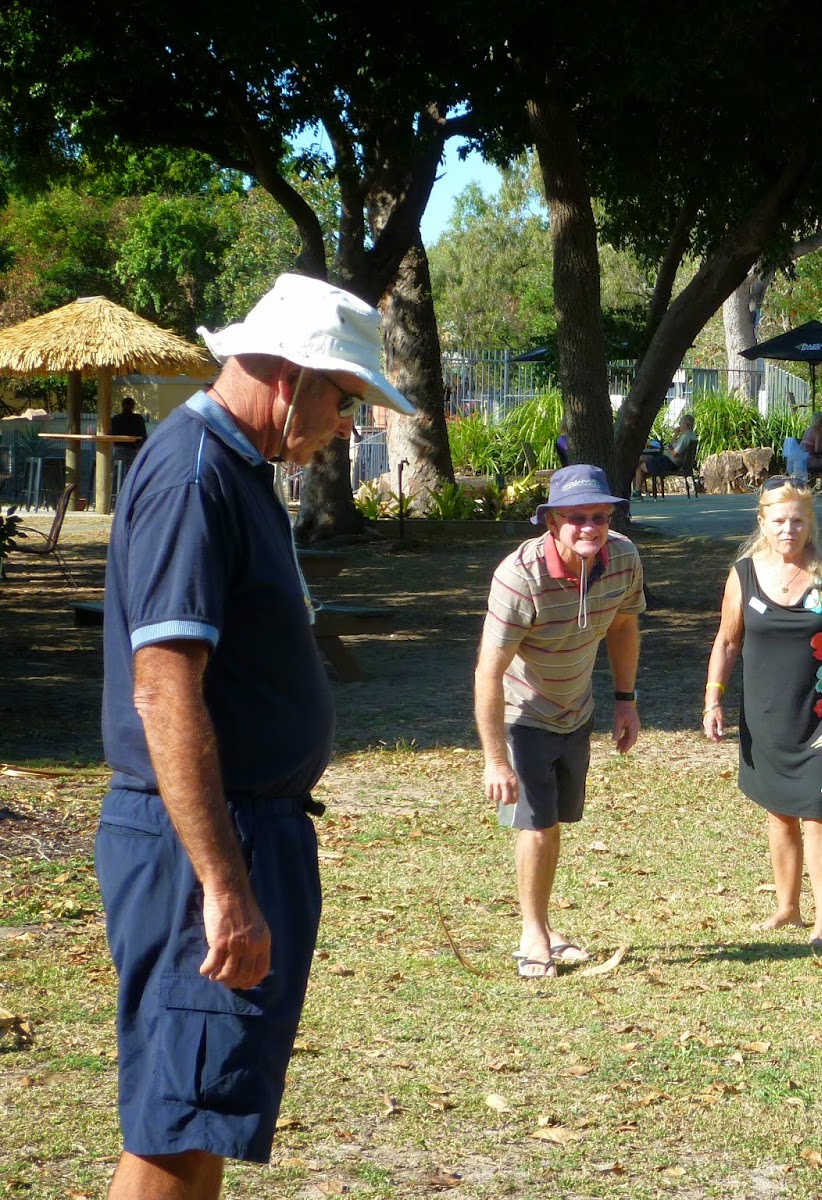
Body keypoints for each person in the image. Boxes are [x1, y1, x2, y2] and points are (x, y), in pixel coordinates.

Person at [95, 274, 413, 1200]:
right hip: (200, 843)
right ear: (291, 377)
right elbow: (165, 691)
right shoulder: (194, 474)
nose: (346, 428)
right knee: (176, 1115)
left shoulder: (233, 470)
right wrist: (224, 885)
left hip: (241, 834)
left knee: (208, 1111)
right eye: (346, 401)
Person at [474, 464, 645, 980]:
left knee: (556, 822)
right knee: (537, 823)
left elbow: (623, 625)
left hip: (578, 709)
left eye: (599, 516)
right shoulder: (520, 576)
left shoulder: (624, 559)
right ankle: (532, 936)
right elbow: (488, 670)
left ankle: (546, 929)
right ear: (551, 522)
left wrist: (624, 699)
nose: (589, 528)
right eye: (576, 518)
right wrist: (494, 759)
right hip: (522, 712)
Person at [702, 477, 822, 949]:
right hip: (765, 713)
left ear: (810, 523)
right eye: (779, 520)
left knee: (819, 811)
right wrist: (713, 697)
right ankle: (787, 908)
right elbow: (728, 640)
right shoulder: (743, 574)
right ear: (763, 522)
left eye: (798, 520)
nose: (789, 529)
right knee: (778, 811)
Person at [634, 413, 697, 495]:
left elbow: (674, 454)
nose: (679, 425)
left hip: (669, 463)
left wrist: (669, 448)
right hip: (668, 460)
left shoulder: (685, 437)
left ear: (685, 425)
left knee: (640, 467)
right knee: (641, 458)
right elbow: (673, 447)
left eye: (680, 423)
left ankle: (636, 492)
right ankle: (636, 489)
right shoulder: (691, 436)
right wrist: (675, 434)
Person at [800, 411, 822, 491]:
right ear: (821, 421)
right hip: (810, 459)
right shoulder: (817, 432)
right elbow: (817, 449)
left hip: (802, 458)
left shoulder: (808, 430)